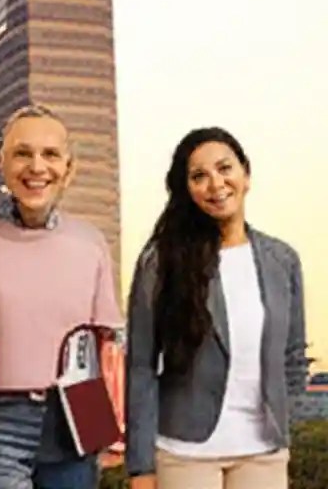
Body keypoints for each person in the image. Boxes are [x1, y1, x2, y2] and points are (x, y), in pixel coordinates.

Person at [0, 104, 123, 489]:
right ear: (0, 161)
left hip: (74, 417)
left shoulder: (91, 243)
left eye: (50, 155)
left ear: (69, 168)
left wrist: (108, 430)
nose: (36, 167)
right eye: (22, 153)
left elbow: (105, 346)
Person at [124, 128, 308, 489]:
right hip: (184, 452)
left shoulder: (282, 260)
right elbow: (141, 367)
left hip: (263, 452)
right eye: (199, 176)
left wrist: (285, 424)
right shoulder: (161, 262)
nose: (215, 184)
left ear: (246, 175)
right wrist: (141, 467)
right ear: (186, 189)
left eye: (225, 168)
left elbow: (293, 355)